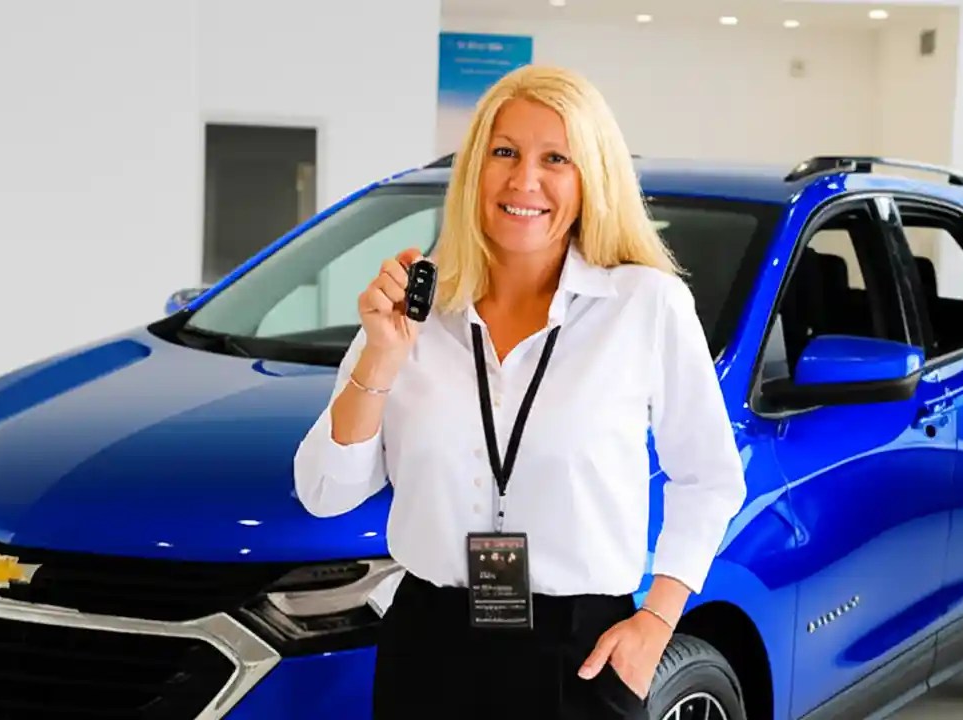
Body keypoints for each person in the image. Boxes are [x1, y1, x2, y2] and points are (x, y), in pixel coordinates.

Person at [293, 64, 747, 719]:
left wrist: (657, 620)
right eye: (504, 152)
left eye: (555, 158)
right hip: (429, 646)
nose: (524, 179)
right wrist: (382, 359)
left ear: (591, 177)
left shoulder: (645, 305)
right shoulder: (412, 312)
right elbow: (324, 491)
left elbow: (709, 477)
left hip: (580, 654)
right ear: (474, 169)